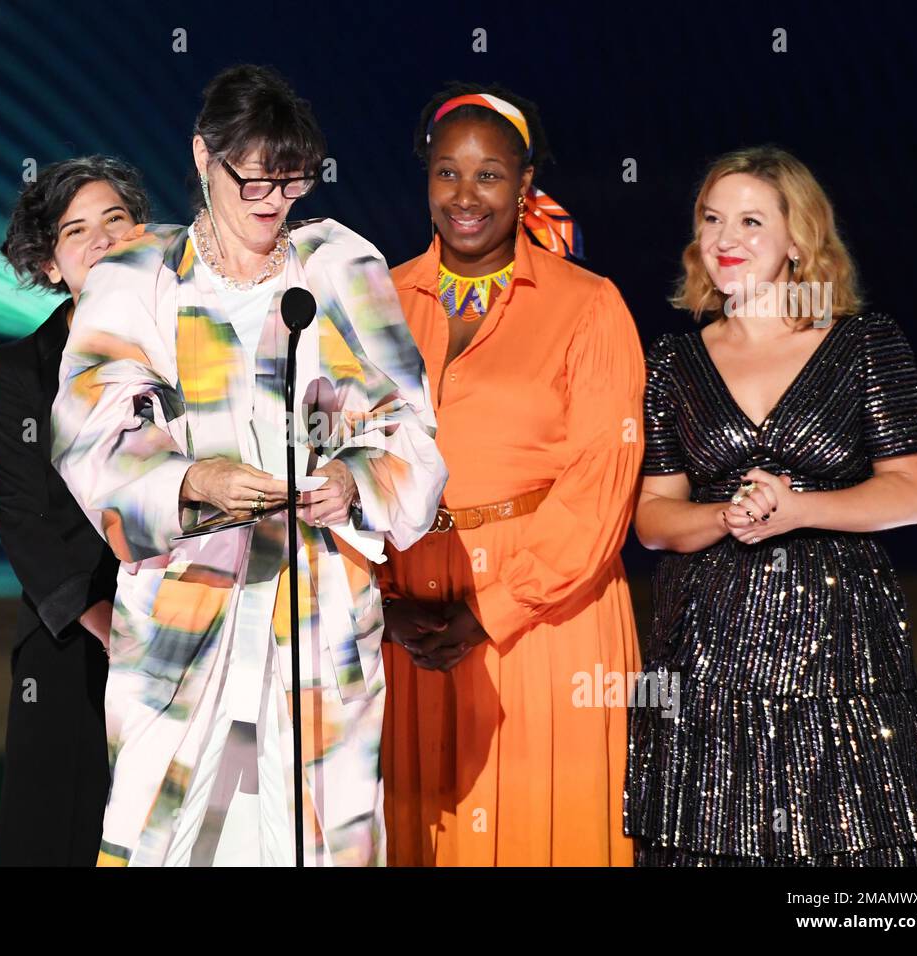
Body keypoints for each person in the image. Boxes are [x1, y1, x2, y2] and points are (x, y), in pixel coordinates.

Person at [50, 65, 446, 867]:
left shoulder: (339, 265)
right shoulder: (138, 277)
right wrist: (193, 482)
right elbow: (87, 433)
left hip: (318, 615)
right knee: (169, 841)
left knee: (318, 840)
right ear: (203, 157)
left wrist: (354, 482)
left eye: (291, 182)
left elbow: (411, 431)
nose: (274, 202)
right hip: (186, 614)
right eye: (255, 180)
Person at [625, 146, 917, 865]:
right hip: (707, 654)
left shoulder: (867, 344)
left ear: (799, 239)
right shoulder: (673, 361)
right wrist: (722, 517)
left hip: (840, 653)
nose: (725, 239)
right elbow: (652, 515)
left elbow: (911, 493)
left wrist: (798, 509)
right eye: (711, 219)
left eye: (749, 221)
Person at [380, 84, 646, 866]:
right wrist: (377, 604)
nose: (466, 196)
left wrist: (491, 609)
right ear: (425, 179)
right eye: (447, 173)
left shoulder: (589, 305)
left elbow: (603, 482)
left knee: (542, 833)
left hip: (546, 621)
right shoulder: (375, 303)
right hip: (411, 626)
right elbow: (342, 464)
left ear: (525, 184)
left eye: (489, 174)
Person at [0, 155, 150, 865]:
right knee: (58, 837)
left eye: (116, 219)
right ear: (50, 264)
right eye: (76, 230)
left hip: (188, 625)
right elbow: (23, 519)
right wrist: (105, 622)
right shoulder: (20, 370)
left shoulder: (189, 348)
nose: (102, 238)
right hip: (72, 641)